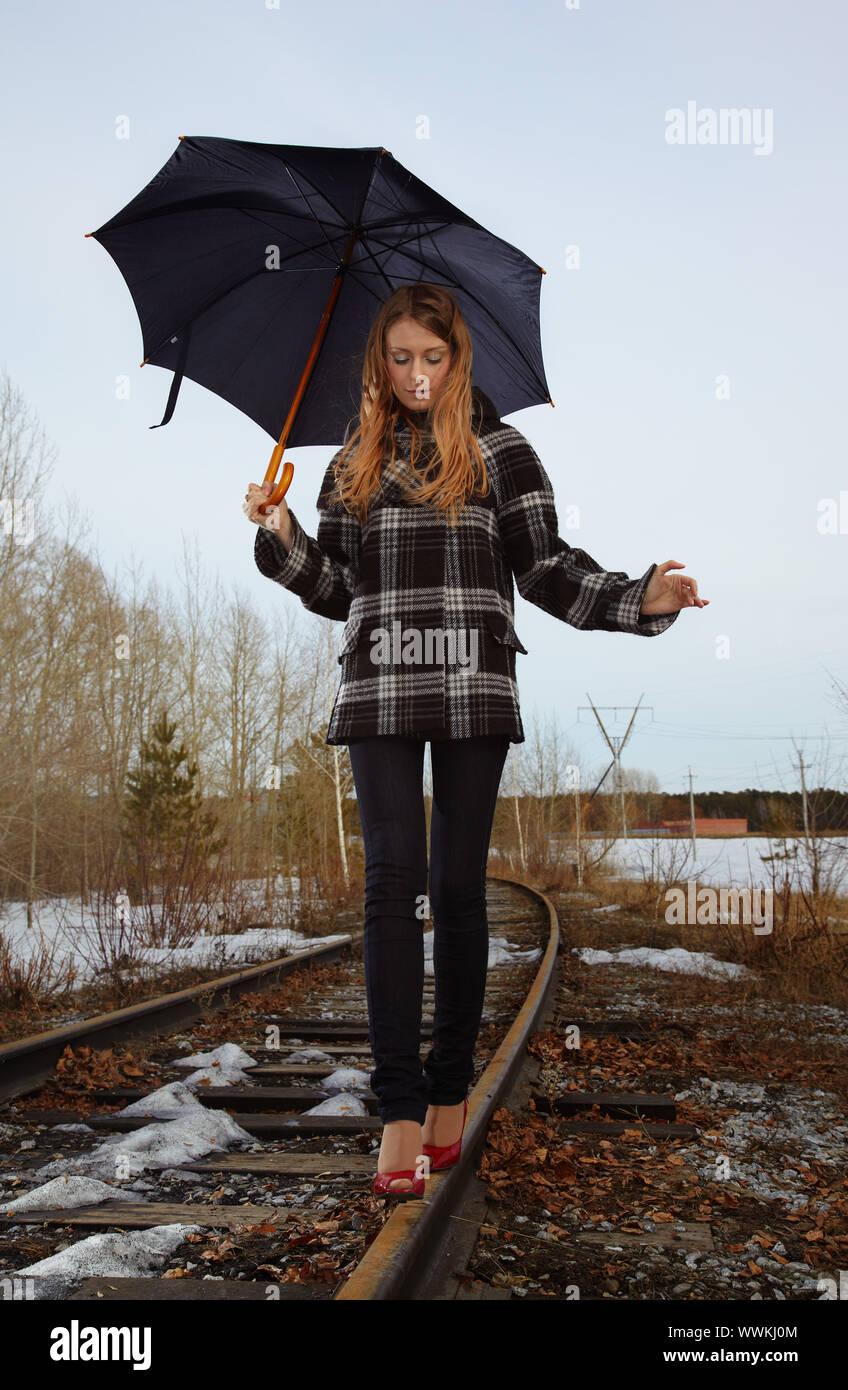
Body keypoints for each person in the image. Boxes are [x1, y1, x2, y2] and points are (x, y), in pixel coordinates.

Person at [244, 282, 707, 1199]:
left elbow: (545, 569)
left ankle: (450, 1091)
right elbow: (338, 587)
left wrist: (638, 597)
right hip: (378, 680)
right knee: (389, 889)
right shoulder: (351, 463)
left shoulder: (504, 453)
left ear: (458, 360)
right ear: (379, 363)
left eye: (434, 356)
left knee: (456, 892)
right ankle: (400, 1111)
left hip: (472, 685)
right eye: (400, 357)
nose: (417, 375)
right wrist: (283, 532)